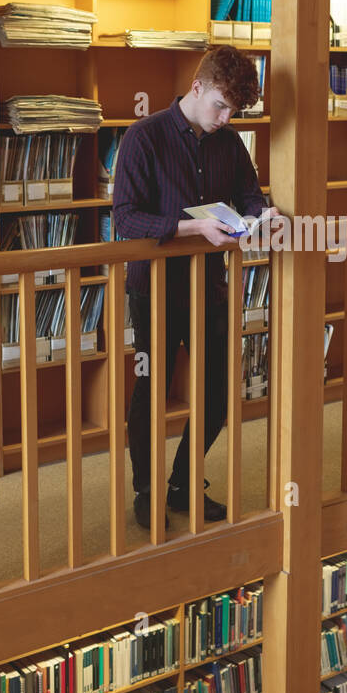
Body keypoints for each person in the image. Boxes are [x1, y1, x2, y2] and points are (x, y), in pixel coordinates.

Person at [112, 46, 276, 529]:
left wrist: (261, 217)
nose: (226, 119)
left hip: (210, 286)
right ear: (197, 86)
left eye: (235, 111)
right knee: (151, 392)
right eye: (220, 106)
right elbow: (125, 219)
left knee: (219, 393)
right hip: (156, 289)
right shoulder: (143, 138)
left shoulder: (229, 142)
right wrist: (190, 229)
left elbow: (248, 194)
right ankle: (146, 491)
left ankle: (183, 484)